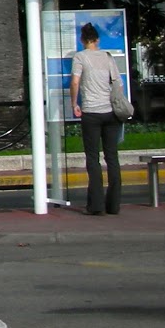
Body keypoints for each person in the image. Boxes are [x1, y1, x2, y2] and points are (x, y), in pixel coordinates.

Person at [71, 22, 123, 215]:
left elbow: (75, 81)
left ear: (83, 40)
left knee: (93, 158)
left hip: (91, 112)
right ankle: (114, 204)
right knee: (112, 157)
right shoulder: (108, 57)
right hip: (110, 113)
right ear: (97, 40)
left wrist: (74, 103)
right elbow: (119, 84)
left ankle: (96, 206)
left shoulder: (80, 57)